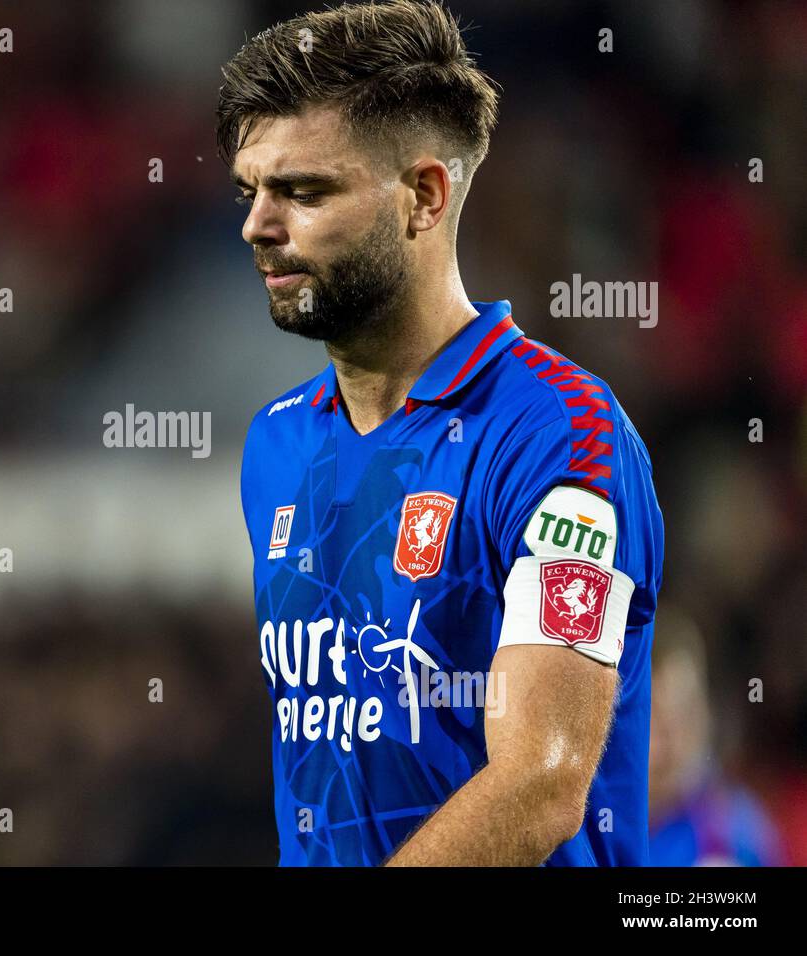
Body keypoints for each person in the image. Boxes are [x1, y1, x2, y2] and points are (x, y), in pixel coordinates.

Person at [224, 0, 664, 865]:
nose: (258, 226)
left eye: (303, 192)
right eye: (252, 191)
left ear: (423, 197)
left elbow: (541, 781)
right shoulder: (276, 445)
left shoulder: (559, 437)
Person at [648, 604, 785, 866]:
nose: (673, 740)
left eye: (684, 712)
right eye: (655, 718)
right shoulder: (585, 824)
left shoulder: (738, 831)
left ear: (707, 712)